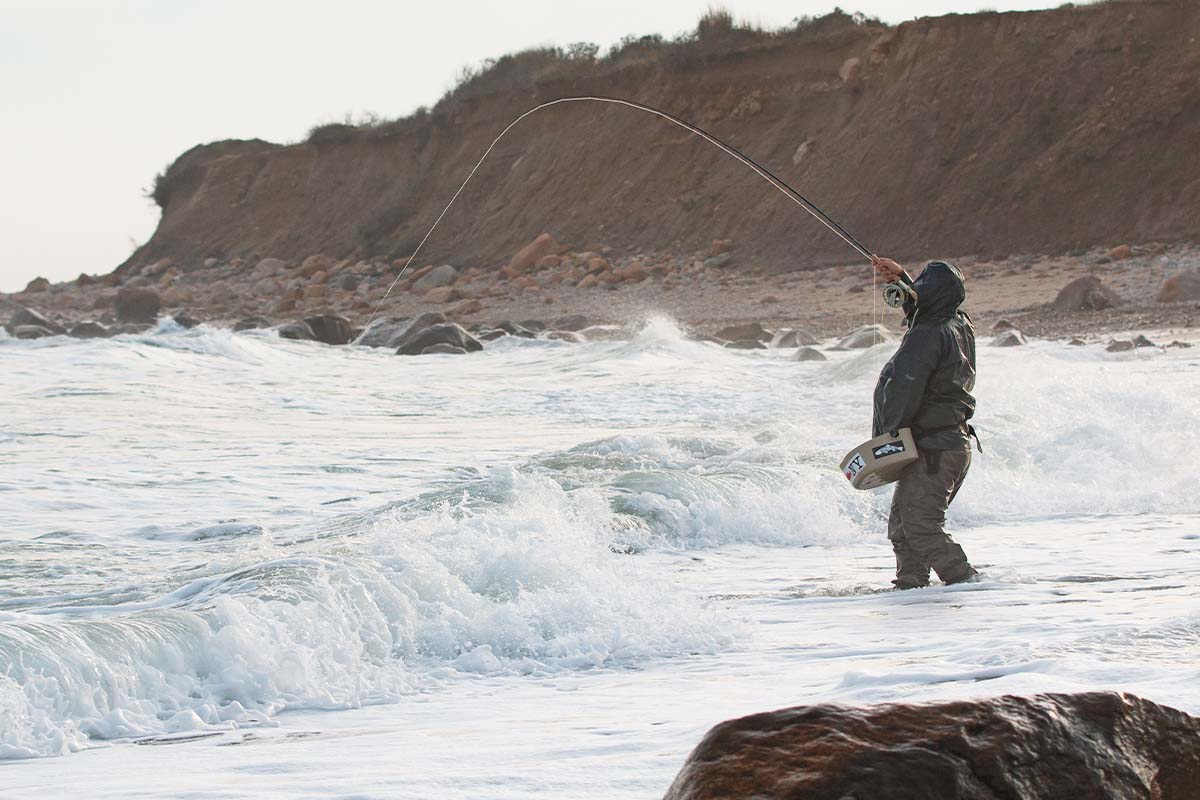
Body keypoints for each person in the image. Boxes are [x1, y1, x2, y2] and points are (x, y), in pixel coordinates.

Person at [870, 255, 980, 589]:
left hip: (934, 449)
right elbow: (925, 307)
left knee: (920, 527)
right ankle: (911, 588)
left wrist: (887, 439)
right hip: (950, 446)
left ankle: (969, 583)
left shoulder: (927, 335)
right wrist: (901, 277)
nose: (915, 292)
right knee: (903, 528)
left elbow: (904, 387)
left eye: (921, 287)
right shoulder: (960, 324)